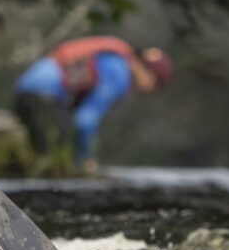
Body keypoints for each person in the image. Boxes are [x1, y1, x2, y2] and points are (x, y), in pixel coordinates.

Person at [12, 35, 173, 173]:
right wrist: (86, 162)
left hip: (26, 92)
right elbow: (85, 121)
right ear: (148, 73)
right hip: (42, 96)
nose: (149, 90)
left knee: (50, 155)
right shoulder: (119, 72)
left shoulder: (115, 59)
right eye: (154, 84)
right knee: (57, 158)